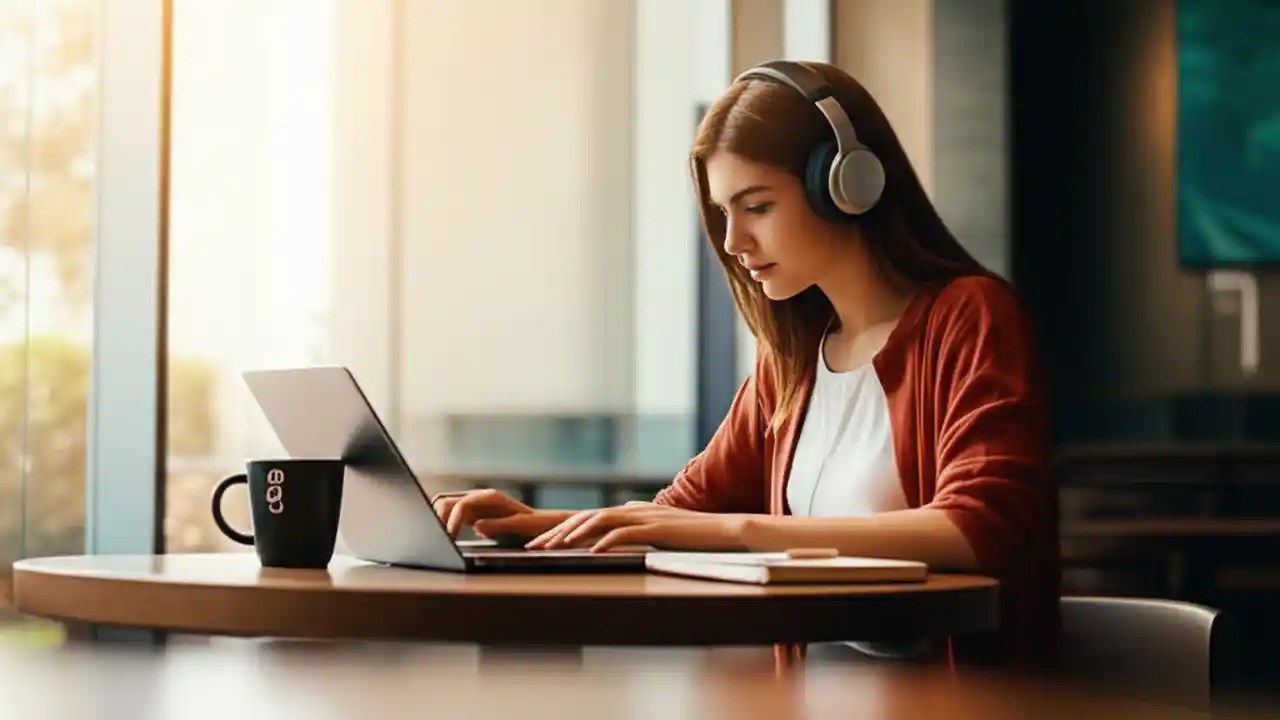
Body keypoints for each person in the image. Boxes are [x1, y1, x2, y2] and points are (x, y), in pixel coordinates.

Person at [434, 60, 1059, 670]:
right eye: (723, 213)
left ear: (846, 185)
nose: (733, 243)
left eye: (757, 206)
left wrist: (744, 534)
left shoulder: (970, 317)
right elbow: (679, 515)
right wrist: (531, 523)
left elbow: (982, 530)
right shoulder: (791, 364)